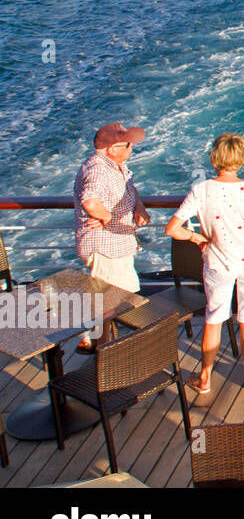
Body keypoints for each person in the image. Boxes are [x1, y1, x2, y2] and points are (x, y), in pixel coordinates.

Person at [165, 133, 244, 393]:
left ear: (214, 158)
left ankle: (204, 378)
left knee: (214, 319)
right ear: (242, 158)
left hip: (218, 262)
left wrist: (196, 237)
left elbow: (172, 229)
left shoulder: (201, 190)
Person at [73, 122, 150, 351]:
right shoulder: (98, 169)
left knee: (120, 299)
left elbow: (129, 187)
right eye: (128, 144)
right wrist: (109, 218)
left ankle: (100, 344)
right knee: (108, 305)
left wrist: (139, 206)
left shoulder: (116, 164)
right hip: (105, 248)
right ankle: (101, 350)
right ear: (111, 149)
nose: (132, 147)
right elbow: (90, 202)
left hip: (117, 246)